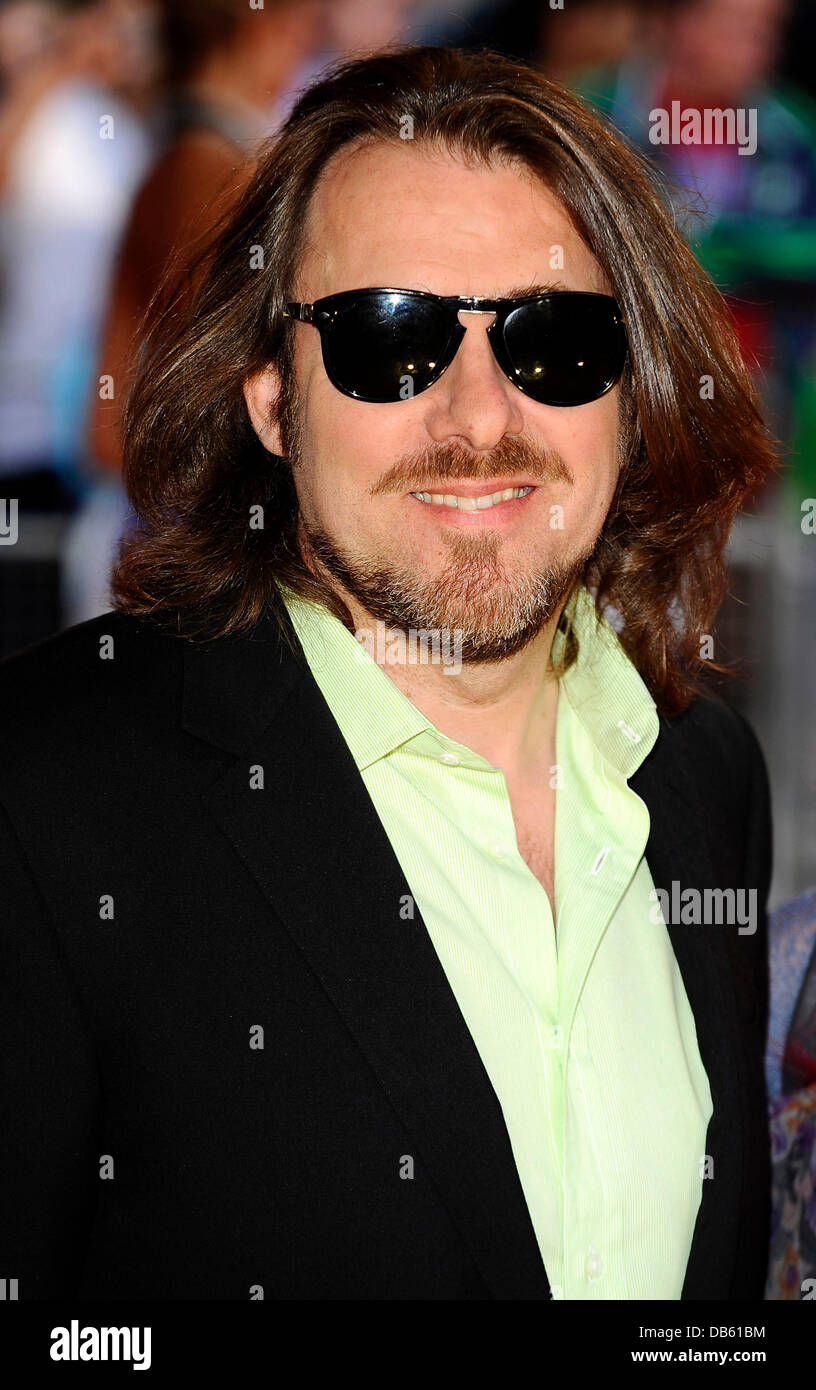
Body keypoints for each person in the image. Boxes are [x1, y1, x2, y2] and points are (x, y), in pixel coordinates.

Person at [0, 44, 776, 1301]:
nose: (479, 417)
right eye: (388, 338)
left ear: (630, 393)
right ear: (268, 397)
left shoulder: (698, 771)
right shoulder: (45, 798)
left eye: (555, 341)